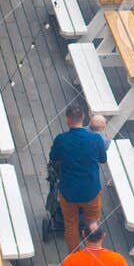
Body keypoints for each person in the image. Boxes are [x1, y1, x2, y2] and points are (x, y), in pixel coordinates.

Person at [47, 103, 109, 251]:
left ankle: (75, 255)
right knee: (93, 222)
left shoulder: (61, 139)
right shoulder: (96, 139)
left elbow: (53, 156)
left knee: (70, 224)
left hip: (68, 191)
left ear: (68, 120)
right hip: (91, 190)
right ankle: (94, 250)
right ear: (84, 118)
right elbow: (102, 159)